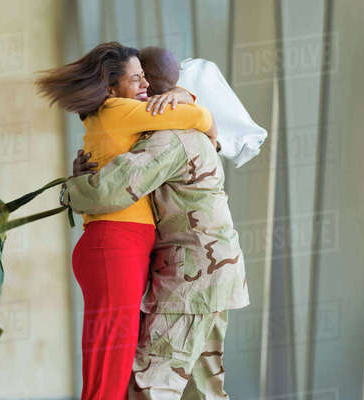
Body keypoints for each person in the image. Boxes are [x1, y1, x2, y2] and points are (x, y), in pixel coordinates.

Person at [62, 46, 250, 399]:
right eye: (137, 78)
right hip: (213, 277)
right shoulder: (190, 134)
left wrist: (70, 189)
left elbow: (108, 191)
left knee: (152, 385)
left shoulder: (169, 139)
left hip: (190, 281)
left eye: (143, 77)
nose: (142, 85)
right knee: (202, 387)